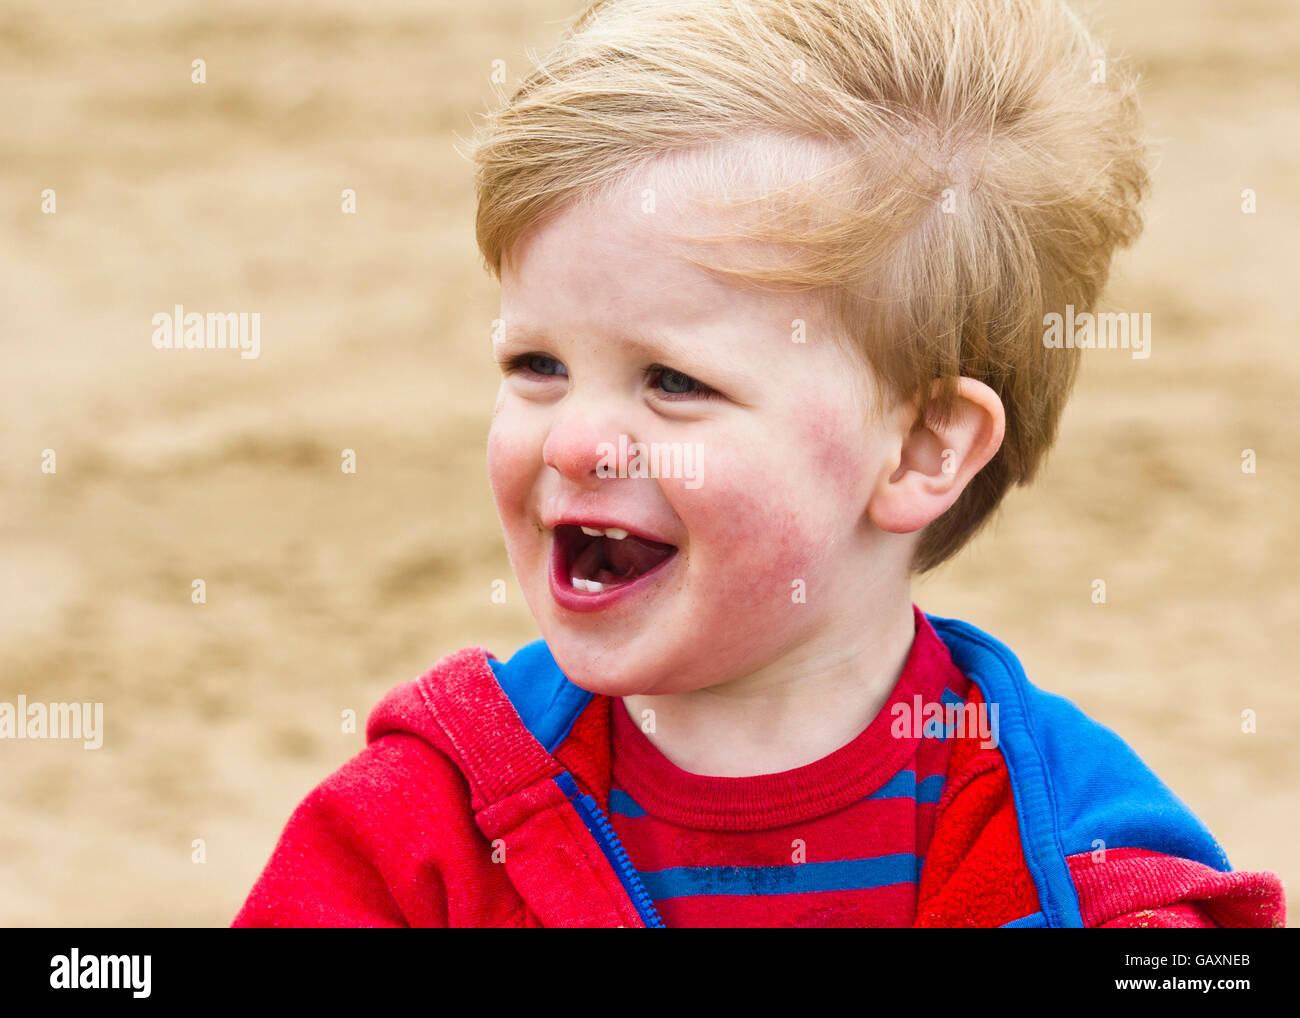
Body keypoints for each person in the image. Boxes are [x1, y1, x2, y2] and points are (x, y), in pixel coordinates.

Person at [233, 0, 1285, 927]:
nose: (572, 440)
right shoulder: (421, 831)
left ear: (921, 447)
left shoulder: (1080, 860)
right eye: (537, 363)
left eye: (674, 382)